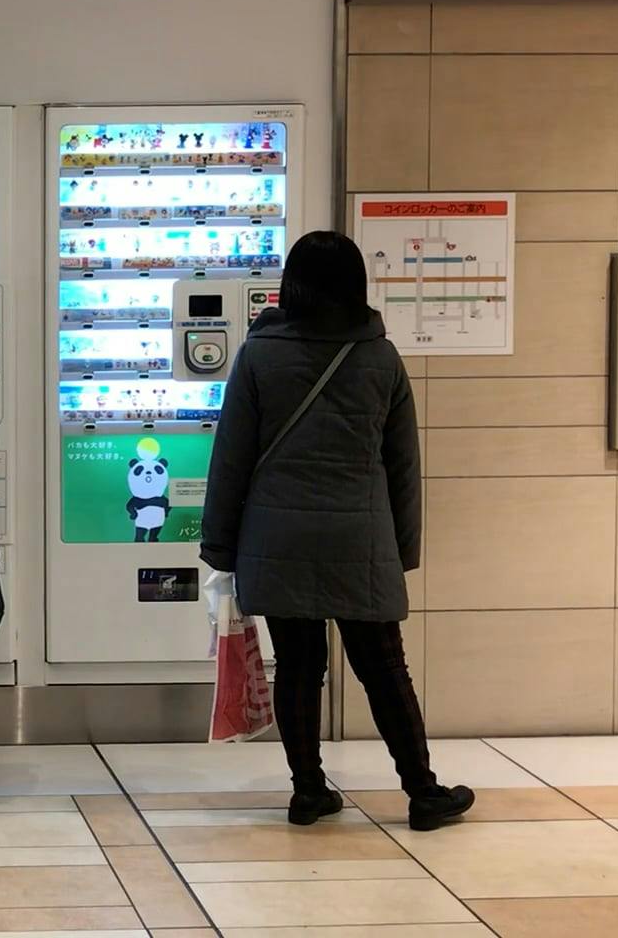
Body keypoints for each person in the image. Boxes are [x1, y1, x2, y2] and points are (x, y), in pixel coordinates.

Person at [200, 230, 475, 833]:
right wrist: (402, 549)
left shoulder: (259, 355)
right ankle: (423, 793)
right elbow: (403, 466)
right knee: (383, 667)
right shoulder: (380, 357)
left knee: (299, 666)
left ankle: (308, 793)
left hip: (278, 539)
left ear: (290, 286)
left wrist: (219, 544)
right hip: (361, 538)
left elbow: (231, 456)